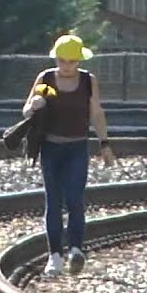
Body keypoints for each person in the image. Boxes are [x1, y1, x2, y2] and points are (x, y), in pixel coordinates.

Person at [21, 33, 115, 276]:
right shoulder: (47, 79)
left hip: (77, 147)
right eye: (62, 60)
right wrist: (34, 106)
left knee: (75, 199)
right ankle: (54, 256)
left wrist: (104, 143)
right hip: (51, 148)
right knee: (53, 201)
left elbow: (96, 112)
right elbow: (28, 107)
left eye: (71, 61)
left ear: (79, 61)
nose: (66, 66)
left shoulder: (87, 81)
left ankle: (76, 249)